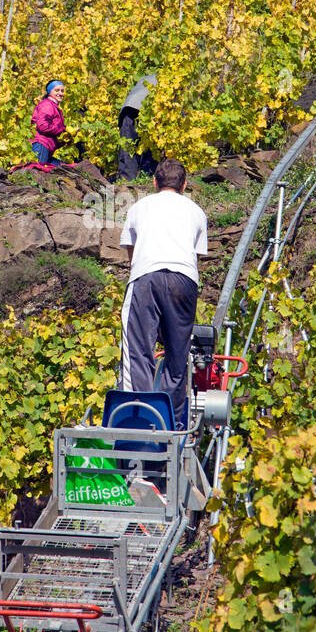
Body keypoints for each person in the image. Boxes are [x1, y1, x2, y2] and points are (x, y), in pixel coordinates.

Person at [119, 157, 208, 431]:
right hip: (184, 279)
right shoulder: (196, 211)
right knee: (177, 356)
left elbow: (131, 253)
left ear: (154, 182)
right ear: (184, 185)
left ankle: (141, 420)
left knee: (139, 351)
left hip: (146, 275)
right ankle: (172, 424)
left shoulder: (139, 207)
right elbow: (196, 255)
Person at [118, 73, 158, 181]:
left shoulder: (146, 78)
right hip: (144, 110)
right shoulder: (170, 81)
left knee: (127, 146)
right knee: (151, 148)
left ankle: (126, 181)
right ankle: (148, 180)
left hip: (128, 107)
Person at [31, 80, 66, 166]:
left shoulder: (53, 106)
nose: (60, 93)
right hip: (41, 145)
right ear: (49, 92)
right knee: (39, 173)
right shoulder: (47, 105)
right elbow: (43, 126)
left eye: (62, 91)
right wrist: (62, 129)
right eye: (56, 90)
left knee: (61, 167)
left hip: (46, 147)